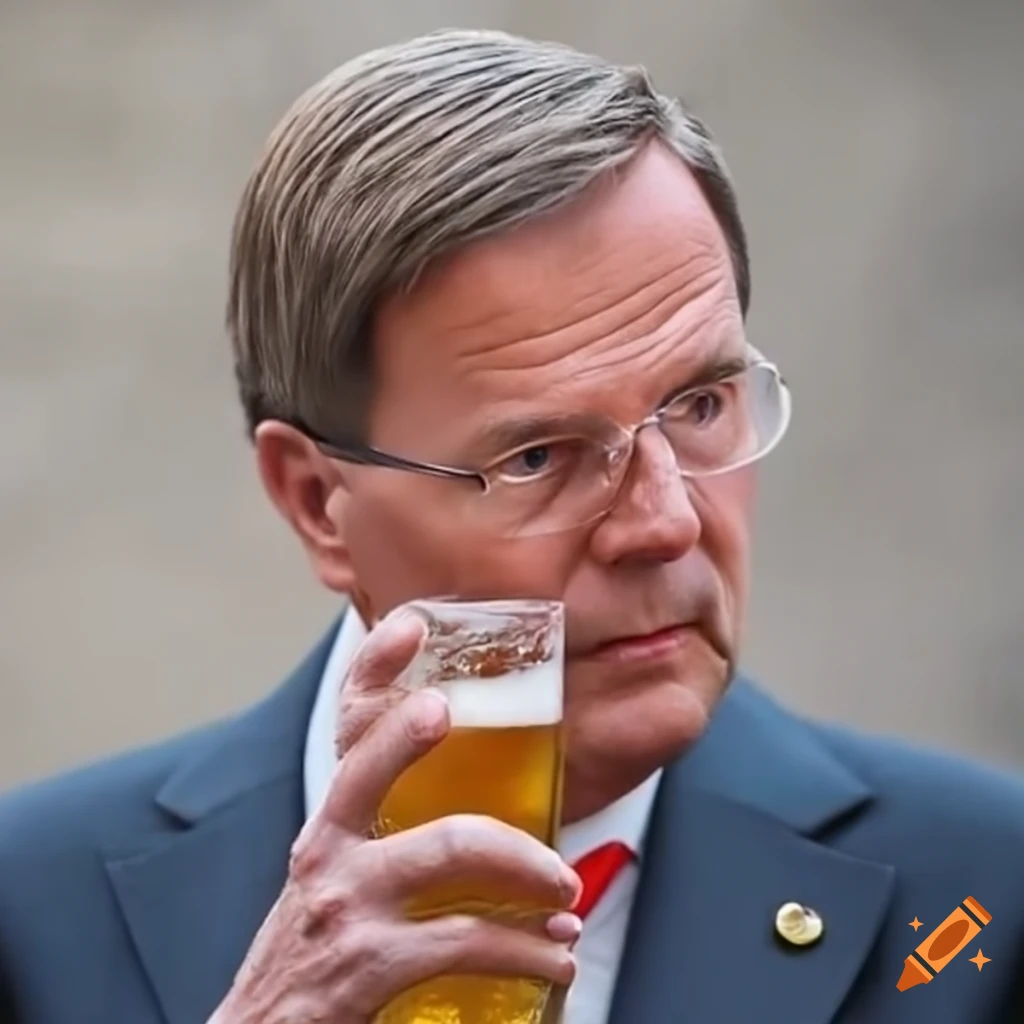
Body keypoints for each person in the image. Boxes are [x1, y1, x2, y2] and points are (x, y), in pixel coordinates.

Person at [1, 28, 1022, 1024]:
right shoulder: (31, 918)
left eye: (701, 405)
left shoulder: (983, 897)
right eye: (535, 456)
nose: (663, 522)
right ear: (318, 503)